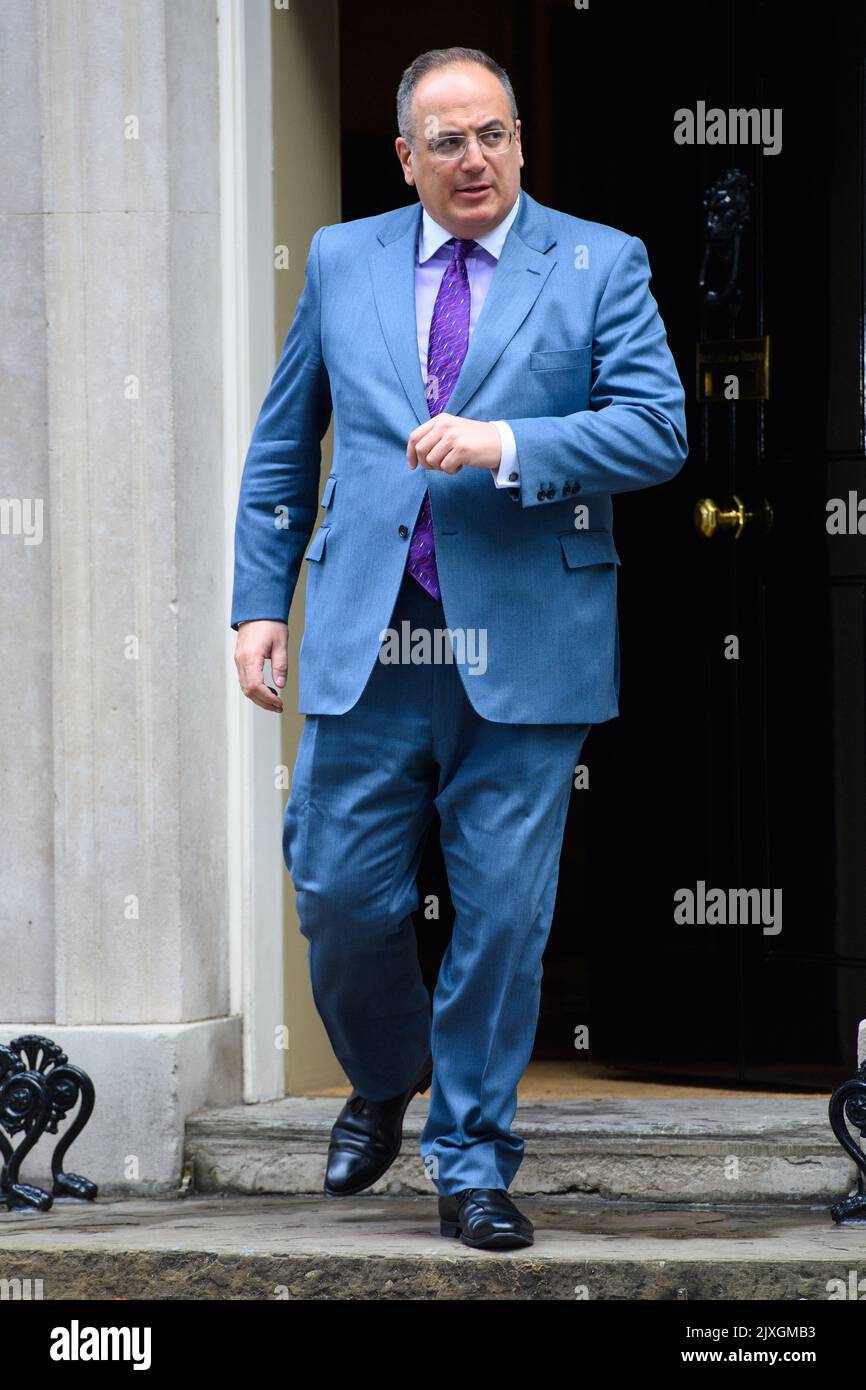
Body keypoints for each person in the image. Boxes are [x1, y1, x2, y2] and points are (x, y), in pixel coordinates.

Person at [231, 46, 687, 1253]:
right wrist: (256, 604)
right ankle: (383, 1075)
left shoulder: (598, 262)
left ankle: (470, 1158)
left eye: (490, 133)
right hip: (369, 636)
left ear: (521, 141)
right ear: (405, 158)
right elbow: (284, 445)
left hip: (527, 638)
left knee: (498, 917)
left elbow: (654, 429)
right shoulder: (340, 260)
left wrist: (503, 443)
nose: (472, 158)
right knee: (336, 891)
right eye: (445, 140)